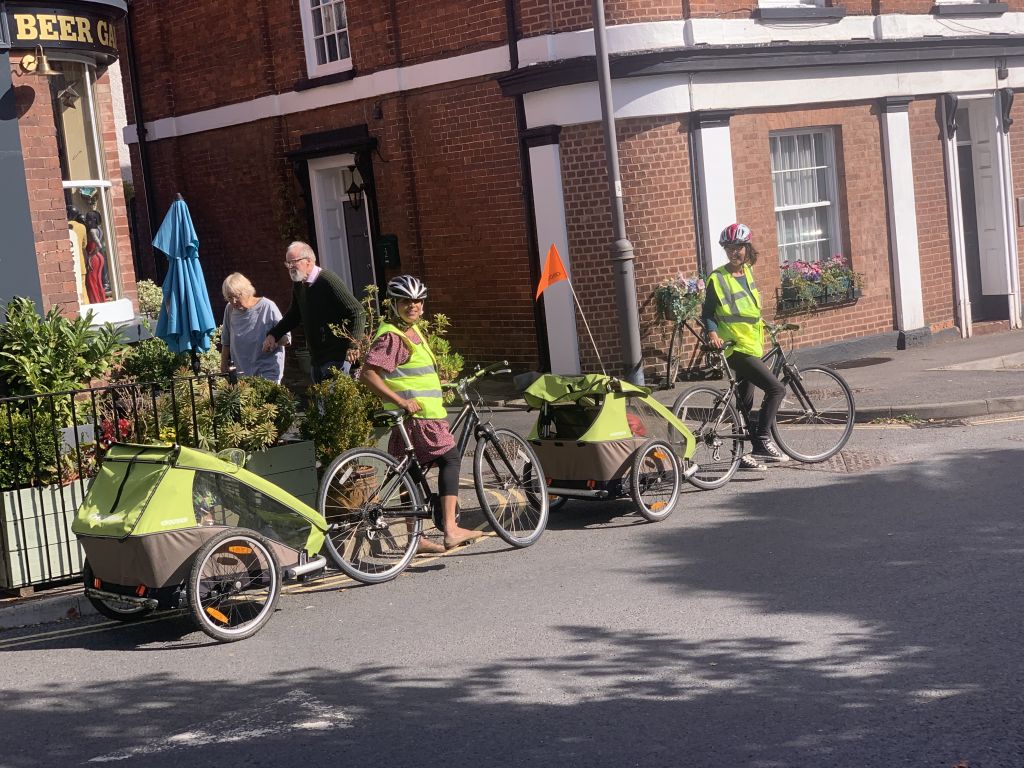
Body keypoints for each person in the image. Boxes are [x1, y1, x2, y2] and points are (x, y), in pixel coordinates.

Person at [358, 275, 483, 555]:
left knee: (410, 473)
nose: (412, 306)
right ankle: (451, 529)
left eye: (417, 301)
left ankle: (417, 538)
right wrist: (401, 400)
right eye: (406, 301)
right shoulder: (393, 336)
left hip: (417, 416)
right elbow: (368, 374)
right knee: (450, 458)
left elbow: (414, 374)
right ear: (394, 304)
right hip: (419, 418)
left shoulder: (411, 332)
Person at [702, 223, 788, 471]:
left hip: (751, 344)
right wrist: (712, 333)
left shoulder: (748, 273)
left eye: (737, 247)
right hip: (734, 348)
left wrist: (766, 326)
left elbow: (748, 311)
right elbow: (707, 312)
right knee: (776, 389)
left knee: (744, 403)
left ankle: (741, 455)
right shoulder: (717, 279)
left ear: (746, 248)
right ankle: (761, 440)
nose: (733, 252)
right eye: (728, 248)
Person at [263, 242, 365, 383]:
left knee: (334, 402)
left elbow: (357, 311)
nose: (290, 267)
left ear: (309, 261)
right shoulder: (299, 284)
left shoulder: (327, 280)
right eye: (288, 263)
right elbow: (294, 315)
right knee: (322, 404)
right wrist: (274, 334)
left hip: (336, 357)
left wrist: (354, 345)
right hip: (317, 360)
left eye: (294, 262)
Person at [221, 272, 290, 383]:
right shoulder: (229, 309)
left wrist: (274, 343)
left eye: (236, 296)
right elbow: (226, 340)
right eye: (229, 298)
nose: (233, 301)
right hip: (241, 373)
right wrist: (223, 364)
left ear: (246, 291)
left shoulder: (267, 306)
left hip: (267, 371)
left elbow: (286, 337)